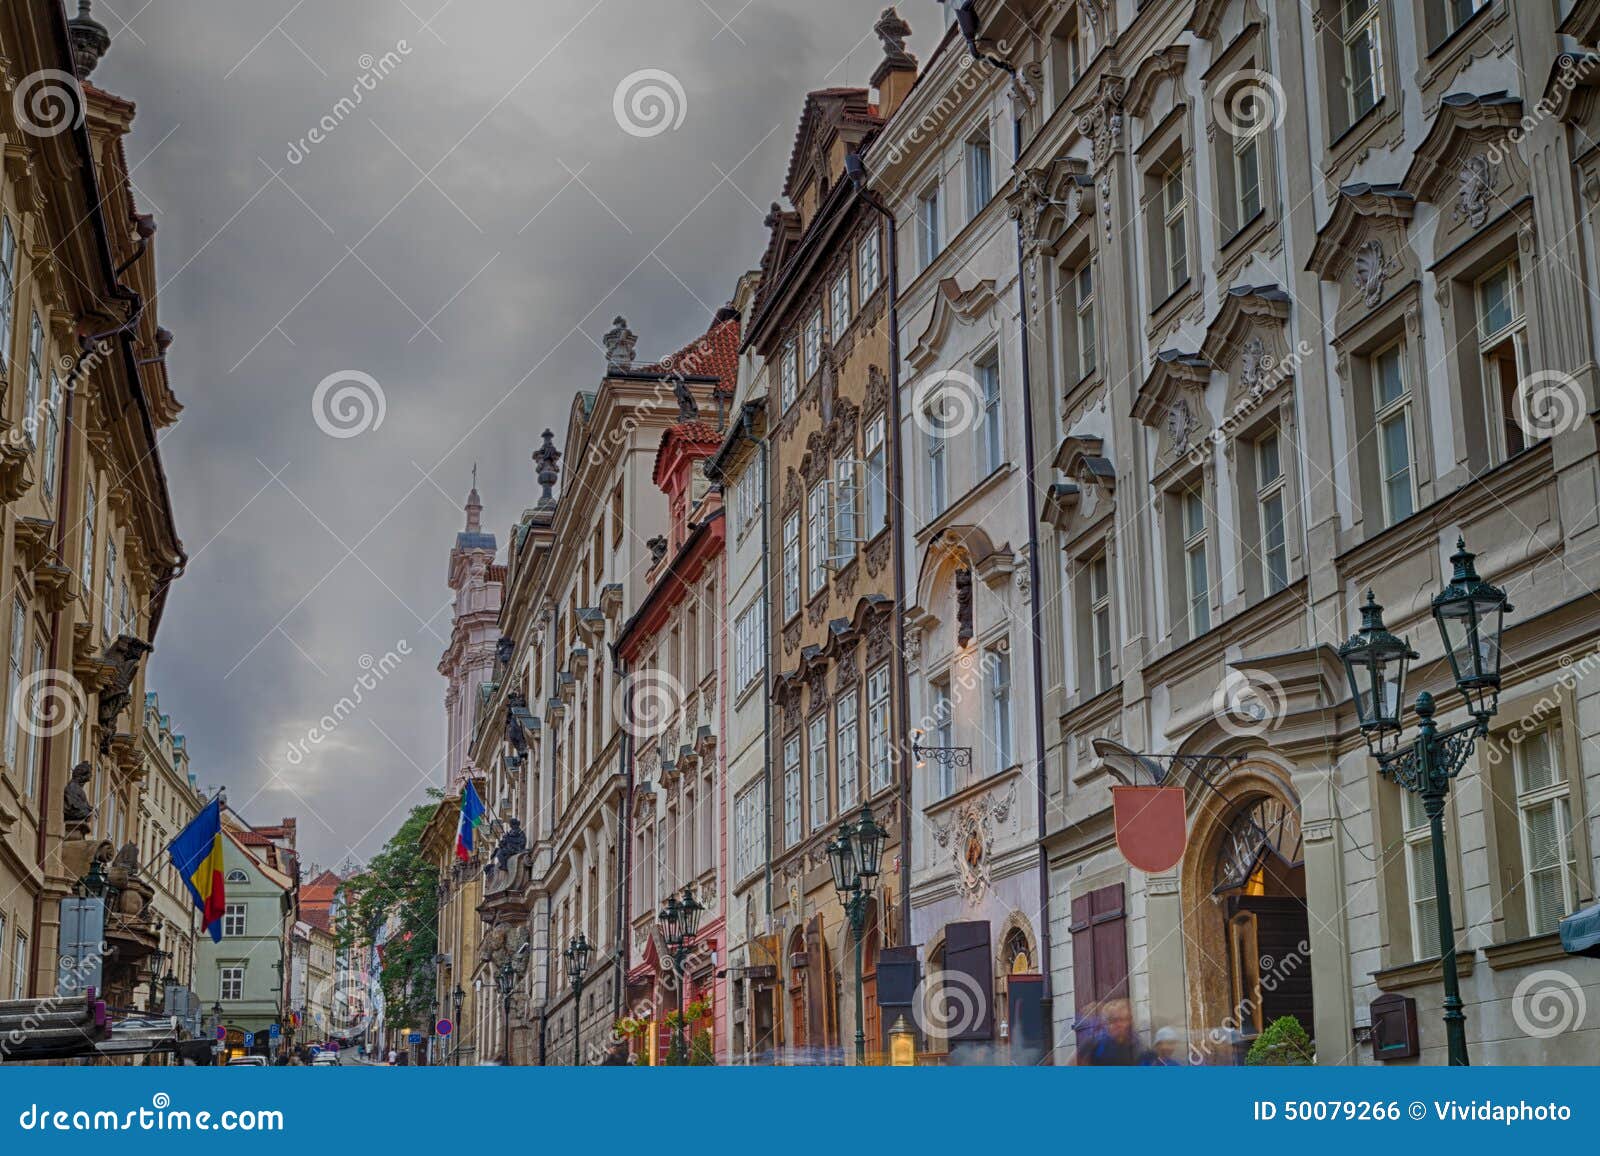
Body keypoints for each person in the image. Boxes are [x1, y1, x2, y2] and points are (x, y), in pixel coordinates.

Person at [1075, 998, 1151, 1066]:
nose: (1118, 1024)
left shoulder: (1139, 1048)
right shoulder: (1093, 1044)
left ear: (1130, 1021)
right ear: (1106, 1023)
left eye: (1122, 1019)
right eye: (1112, 1020)